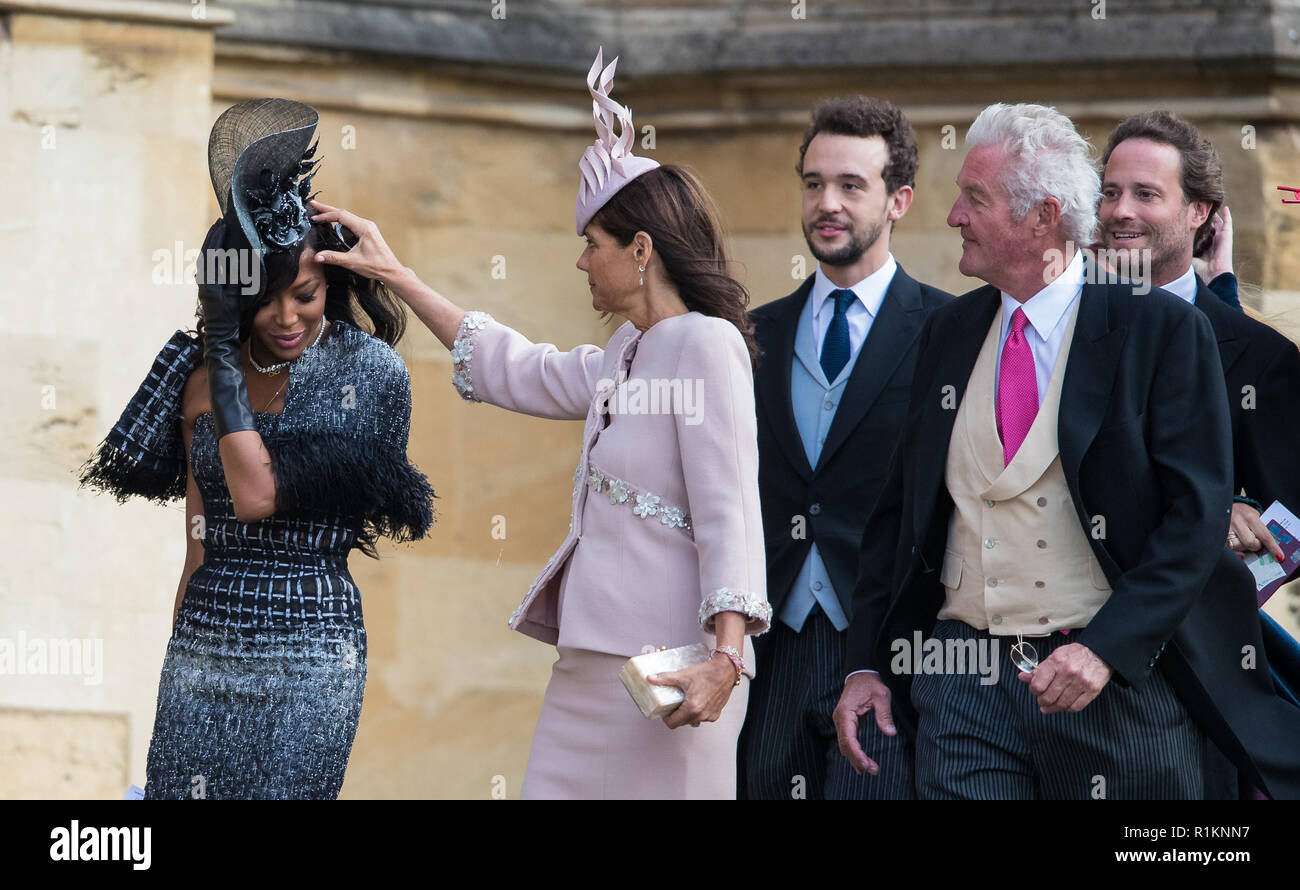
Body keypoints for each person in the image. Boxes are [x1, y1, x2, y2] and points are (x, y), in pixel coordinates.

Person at [309, 49, 770, 799]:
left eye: (593, 245)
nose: (582, 263)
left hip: (674, 674)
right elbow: (515, 366)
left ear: (642, 249)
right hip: (592, 670)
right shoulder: (629, 351)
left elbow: (732, 511)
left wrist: (725, 660)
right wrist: (399, 277)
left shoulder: (705, 343)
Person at [833, 102, 1298, 799]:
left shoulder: (1159, 330)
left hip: (1116, 691)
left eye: (974, 199)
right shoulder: (947, 333)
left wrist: (1105, 650)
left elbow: (1194, 520)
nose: (953, 216)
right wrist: (866, 662)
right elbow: (898, 515)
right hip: (963, 688)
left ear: (1042, 217)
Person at [79, 98, 436, 799]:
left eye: (303, 293)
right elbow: (201, 540)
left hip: (309, 648)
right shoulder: (196, 382)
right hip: (205, 645)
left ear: (329, 280)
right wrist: (180, 656)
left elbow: (256, 495)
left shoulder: (366, 374)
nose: (284, 317)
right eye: (262, 301)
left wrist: (219, 353)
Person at [739, 96, 950, 800]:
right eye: (813, 183)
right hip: (769, 647)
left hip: (890, 653)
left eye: (851, 185)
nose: (826, 203)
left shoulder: (951, 330)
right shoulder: (750, 335)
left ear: (900, 201)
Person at [1096, 109, 1300, 797]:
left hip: (1200, 684)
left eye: (1146, 195)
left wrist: (1224, 532)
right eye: (1109, 191)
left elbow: (1293, 529)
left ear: (1201, 212)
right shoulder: (1052, 331)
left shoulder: (1262, 358)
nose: (1120, 211)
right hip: (1053, 669)